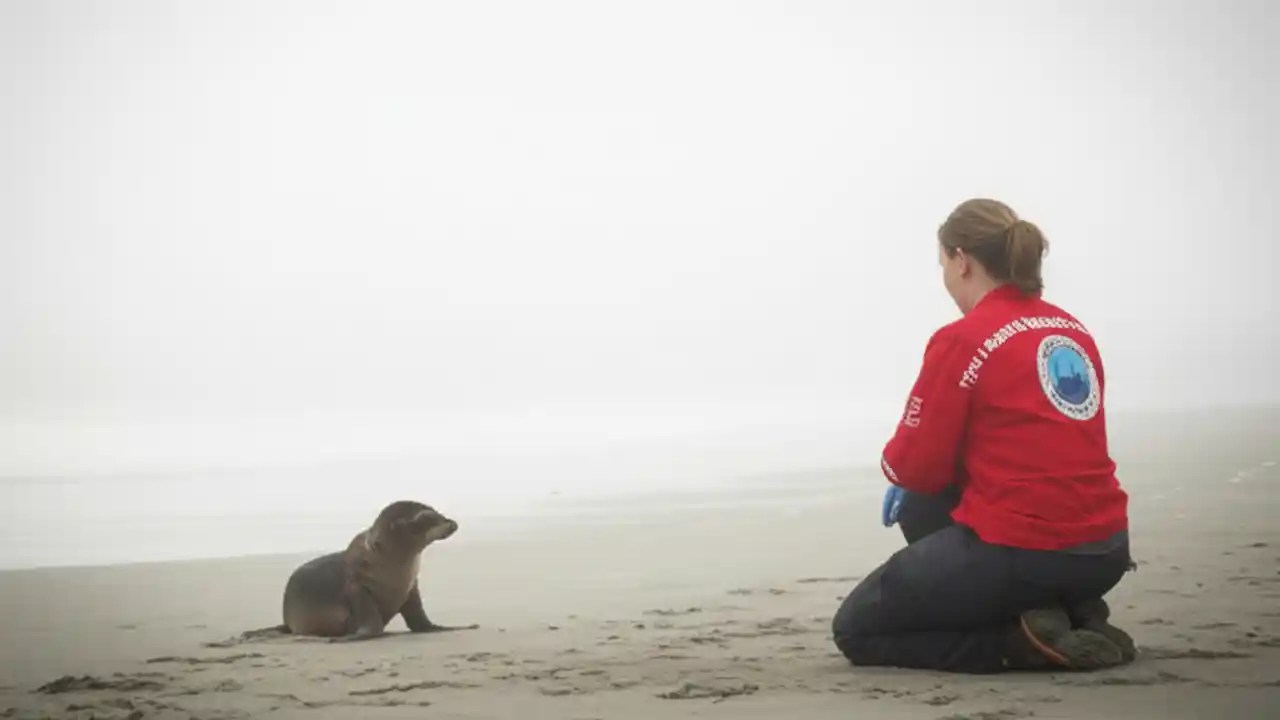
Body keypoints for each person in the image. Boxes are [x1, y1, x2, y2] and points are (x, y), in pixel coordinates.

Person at [831, 198, 1136, 674]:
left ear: (962, 260)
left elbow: (915, 467)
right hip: (1106, 551)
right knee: (927, 503)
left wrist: (900, 472)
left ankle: (1017, 642)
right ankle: (1073, 612)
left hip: (1025, 550)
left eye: (944, 265)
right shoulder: (1071, 330)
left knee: (856, 629)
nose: (946, 279)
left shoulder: (963, 338)